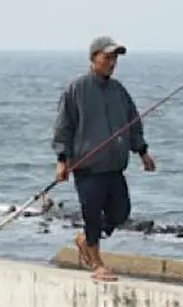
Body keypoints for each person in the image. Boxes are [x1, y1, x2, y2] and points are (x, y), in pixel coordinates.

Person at [51, 36, 157, 283]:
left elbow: (133, 123)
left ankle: (85, 241)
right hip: (87, 167)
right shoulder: (77, 89)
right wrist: (62, 159)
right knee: (91, 213)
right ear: (93, 58)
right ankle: (96, 262)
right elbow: (63, 126)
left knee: (120, 212)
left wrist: (142, 152)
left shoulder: (119, 91)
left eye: (115, 58)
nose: (112, 63)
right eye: (107, 58)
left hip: (114, 167)